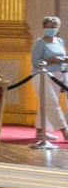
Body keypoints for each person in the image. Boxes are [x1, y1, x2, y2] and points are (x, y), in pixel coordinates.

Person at [32, 16, 67, 149]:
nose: (50, 29)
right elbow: (36, 62)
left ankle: (41, 131)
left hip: (56, 75)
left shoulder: (59, 41)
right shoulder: (39, 43)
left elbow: (62, 58)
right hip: (41, 75)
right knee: (51, 102)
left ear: (57, 28)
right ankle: (64, 130)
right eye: (48, 26)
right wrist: (51, 60)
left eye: (53, 27)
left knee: (46, 102)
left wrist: (63, 62)